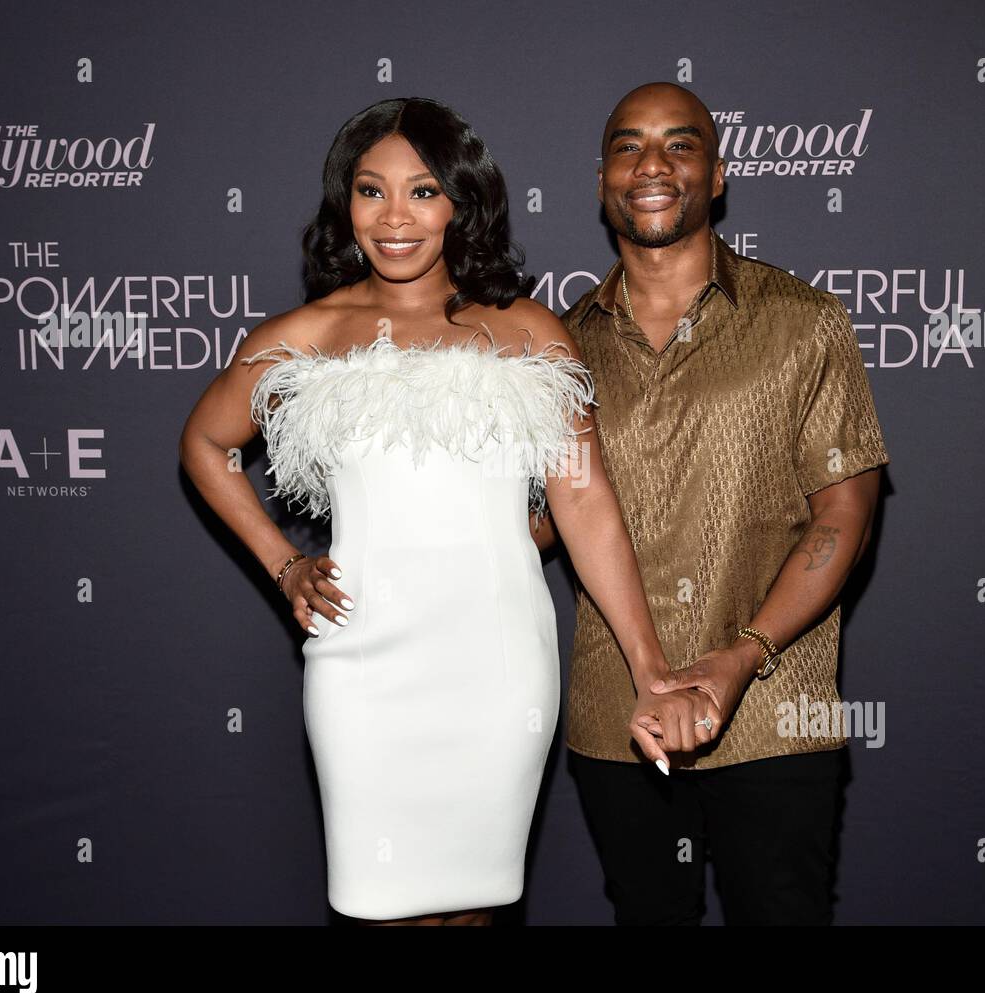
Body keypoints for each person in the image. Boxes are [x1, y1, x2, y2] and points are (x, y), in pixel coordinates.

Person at [178, 97, 678, 926]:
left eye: (423, 190)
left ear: (461, 202)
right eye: (372, 191)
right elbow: (205, 441)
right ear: (347, 205)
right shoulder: (309, 333)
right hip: (365, 665)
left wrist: (649, 664)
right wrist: (284, 563)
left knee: (472, 909)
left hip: (498, 664)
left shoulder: (528, 332)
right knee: (380, 903)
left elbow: (585, 500)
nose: (396, 217)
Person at [534, 82, 891, 925]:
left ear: (719, 175)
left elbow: (845, 514)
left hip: (774, 712)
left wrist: (742, 656)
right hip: (616, 714)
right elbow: (543, 519)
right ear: (600, 181)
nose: (650, 164)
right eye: (627, 145)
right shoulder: (557, 344)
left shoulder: (805, 322)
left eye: (679, 143)